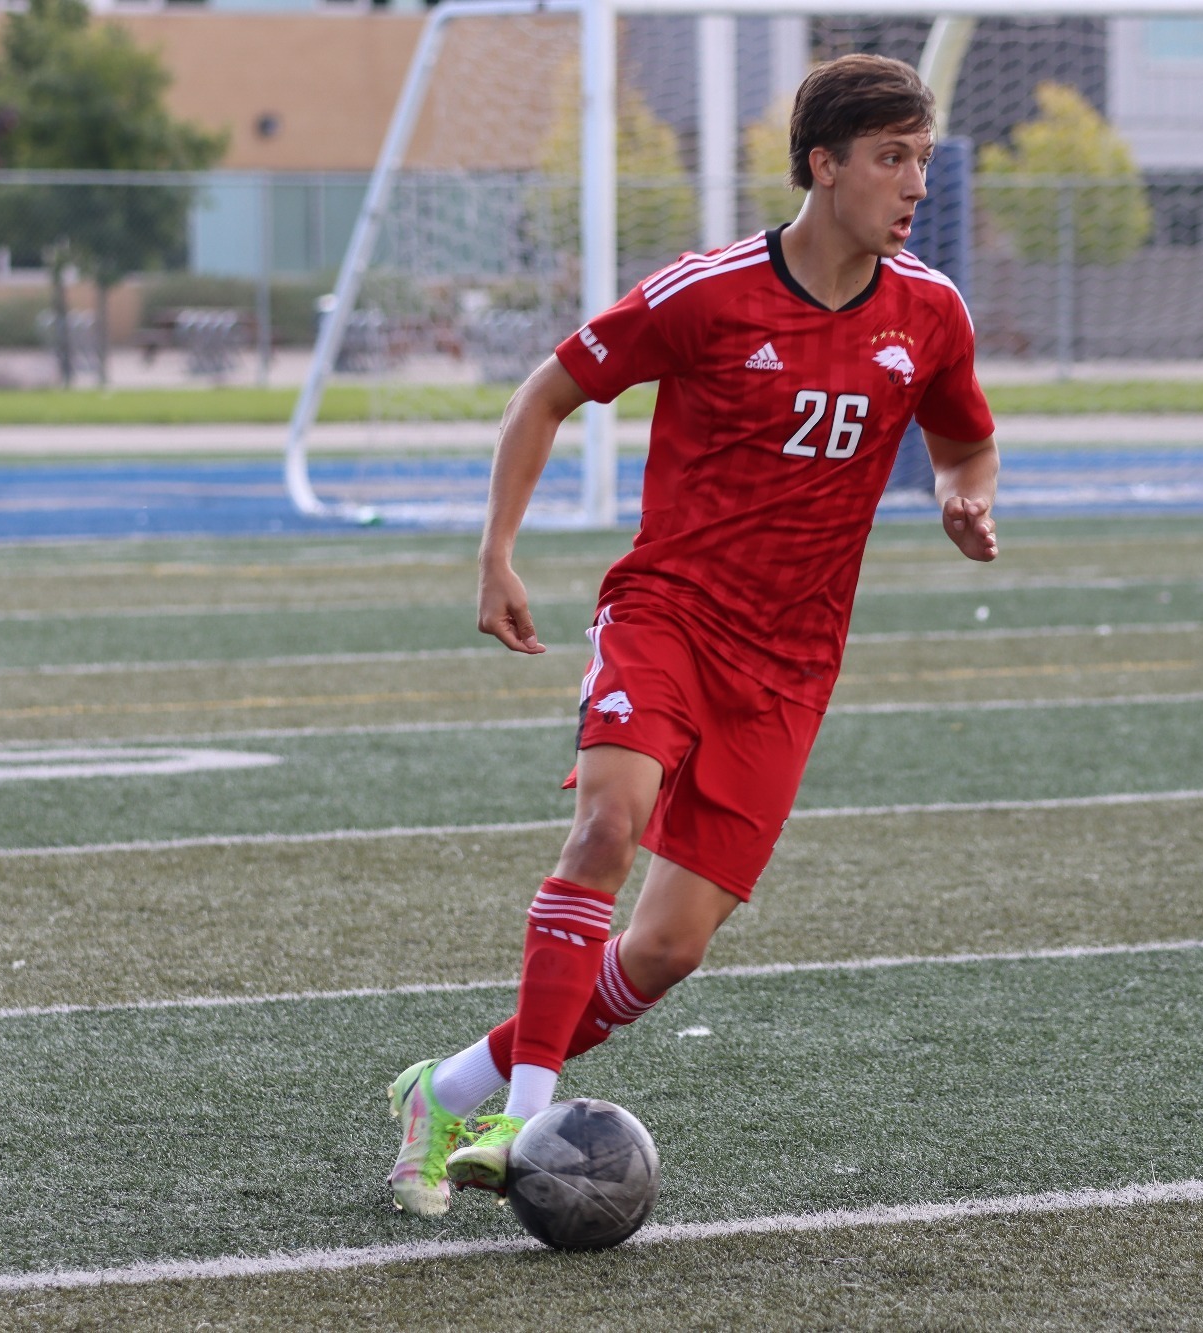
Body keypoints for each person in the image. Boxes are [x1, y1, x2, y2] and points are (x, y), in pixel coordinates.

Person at [381, 53, 1001, 1216]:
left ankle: (449, 1086)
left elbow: (966, 441)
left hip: (790, 666)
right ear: (823, 166)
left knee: (665, 952)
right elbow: (545, 393)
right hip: (665, 613)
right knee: (605, 825)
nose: (914, 183)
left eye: (920, 158)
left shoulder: (930, 312)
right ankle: (520, 1115)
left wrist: (968, 498)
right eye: (889, 158)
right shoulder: (705, 292)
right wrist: (495, 556)